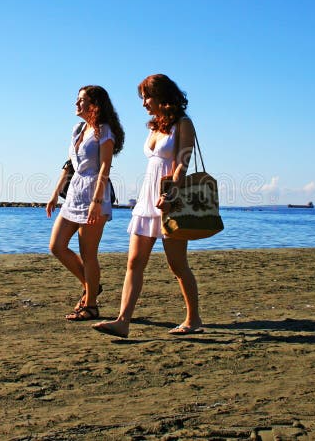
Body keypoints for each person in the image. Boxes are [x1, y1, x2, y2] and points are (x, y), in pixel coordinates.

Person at [93, 74, 202, 338]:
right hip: (146, 200)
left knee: (177, 265)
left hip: (169, 201)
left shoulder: (183, 124)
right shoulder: (153, 127)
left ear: (163, 96)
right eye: (142, 98)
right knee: (134, 262)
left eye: (147, 97)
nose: (143, 103)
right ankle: (123, 321)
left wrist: (172, 192)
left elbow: (182, 163)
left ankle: (194, 318)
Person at [47, 85, 125, 321]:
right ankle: (92, 286)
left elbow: (105, 167)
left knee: (88, 254)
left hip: (94, 193)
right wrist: (55, 193)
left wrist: (97, 200)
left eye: (81, 100)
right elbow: (70, 164)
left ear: (95, 105)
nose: (76, 104)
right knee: (56, 246)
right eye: (77, 99)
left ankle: (90, 305)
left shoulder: (104, 131)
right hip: (74, 193)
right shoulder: (78, 129)